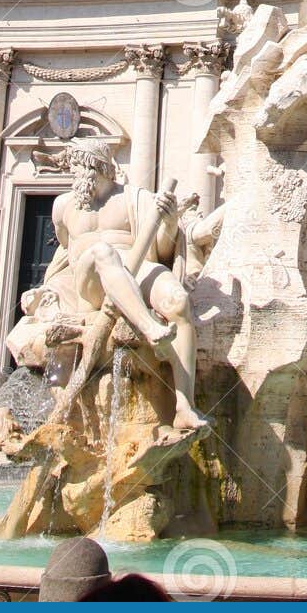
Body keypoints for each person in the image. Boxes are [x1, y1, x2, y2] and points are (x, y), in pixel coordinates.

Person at [51, 143, 206, 432]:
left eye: (77, 166)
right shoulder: (63, 206)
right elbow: (64, 250)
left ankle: (185, 406)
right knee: (102, 251)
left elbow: (161, 249)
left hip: (135, 268)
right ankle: (148, 326)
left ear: (95, 166)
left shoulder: (136, 198)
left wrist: (170, 223)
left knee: (178, 300)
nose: (73, 173)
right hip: (93, 279)